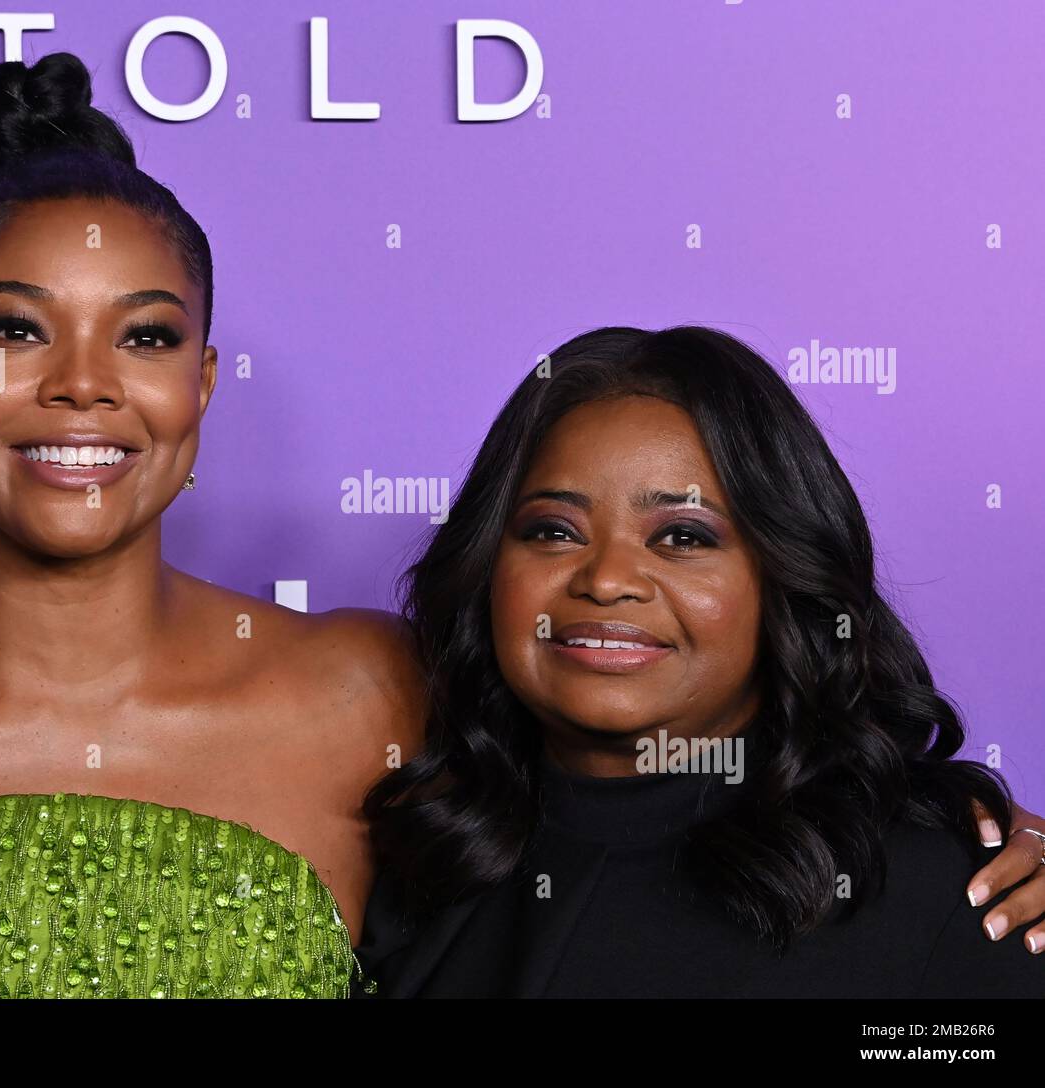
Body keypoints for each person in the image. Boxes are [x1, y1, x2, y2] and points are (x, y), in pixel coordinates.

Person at [0, 52, 420, 999]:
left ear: (202, 386)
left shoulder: (373, 700)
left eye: (146, 337)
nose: (82, 385)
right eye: (16, 331)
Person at [355, 325, 1045, 997]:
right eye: (553, 530)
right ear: (487, 568)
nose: (606, 579)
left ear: (782, 578)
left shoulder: (969, 893)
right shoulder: (412, 867)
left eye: (682, 536)